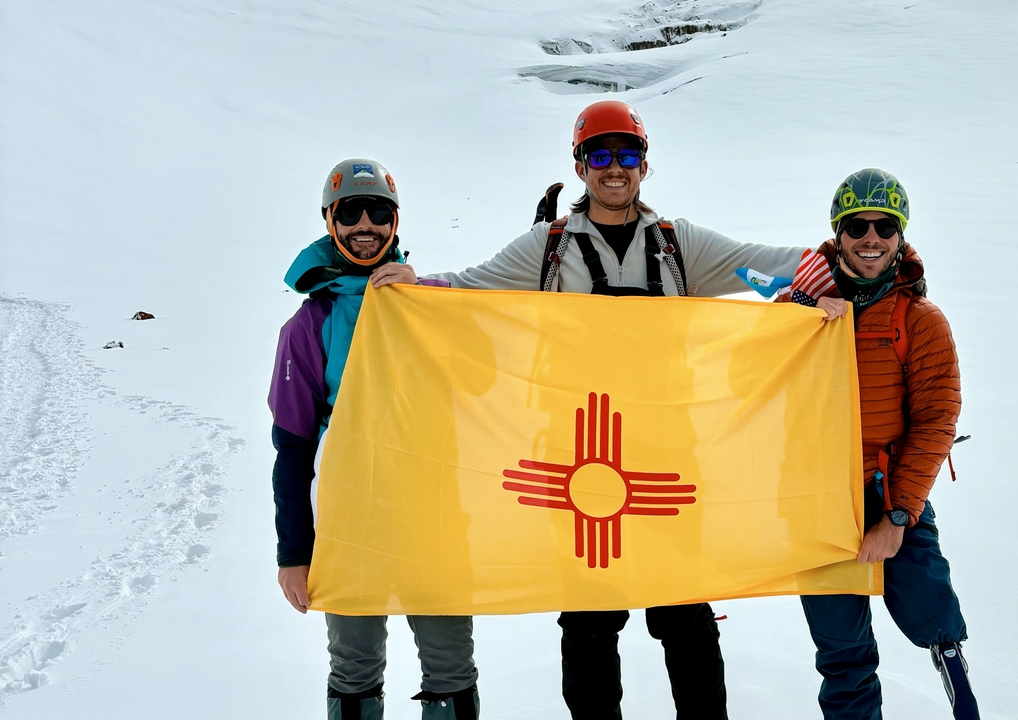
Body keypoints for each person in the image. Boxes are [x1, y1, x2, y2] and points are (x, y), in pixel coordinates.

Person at [427, 100, 808, 720]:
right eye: (599, 155)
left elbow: (767, 266)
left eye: (626, 155)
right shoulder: (548, 250)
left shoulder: (679, 245)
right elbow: (467, 288)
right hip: (580, 463)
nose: (614, 168)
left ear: (645, 165)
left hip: (668, 462)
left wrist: (850, 263)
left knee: (684, 613)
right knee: (589, 620)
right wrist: (407, 287)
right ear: (579, 166)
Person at [268, 159, 479, 720]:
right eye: (351, 213)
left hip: (433, 511)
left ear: (396, 222)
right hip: (350, 516)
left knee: (450, 664)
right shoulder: (309, 326)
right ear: (330, 221)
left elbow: (490, 377)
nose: (367, 225)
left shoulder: (433, 304)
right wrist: (294, 552)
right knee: (354, 667)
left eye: (379, 213)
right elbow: (291, 448)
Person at [779, 169, 978, 719]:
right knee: (842, 651)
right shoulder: (797, 312)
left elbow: (937, 420)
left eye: (885, 226)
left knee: (935, 621)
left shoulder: (920, 320)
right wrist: (796, 322)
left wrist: (896, 516)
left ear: (900, 234)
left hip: (890, 492)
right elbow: (756, 393)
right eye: (858, 225)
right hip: (819, 504)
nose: (872, 238)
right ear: (838, 232)